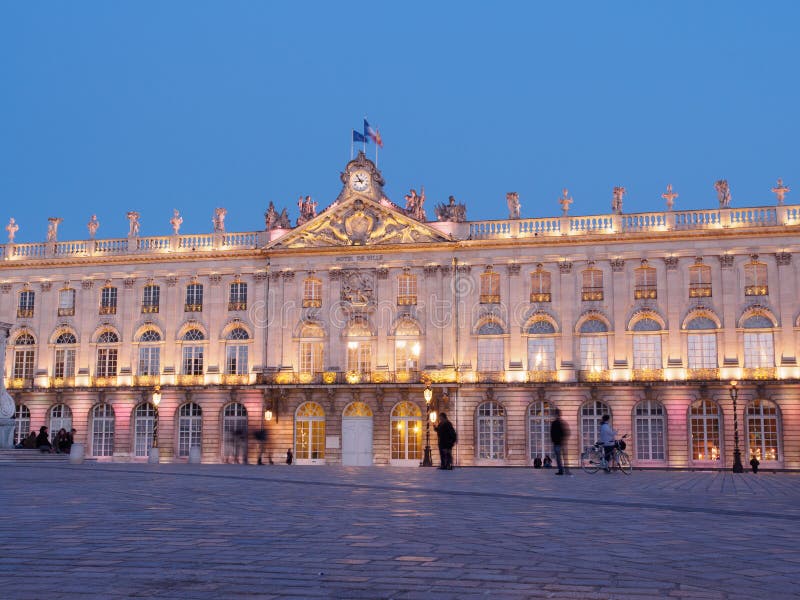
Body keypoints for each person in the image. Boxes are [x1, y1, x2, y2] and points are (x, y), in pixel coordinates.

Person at [550, 408, 570, 475]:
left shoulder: (555, 423)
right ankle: (566, 470)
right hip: (561, 443)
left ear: (556, 414)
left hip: (557, 443)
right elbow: (566, 432)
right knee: (564, 457)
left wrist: (554, 440)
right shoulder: (562, 422)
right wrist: (564, 440)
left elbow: (552, 433)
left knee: (559, 458)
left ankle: (561, 471)